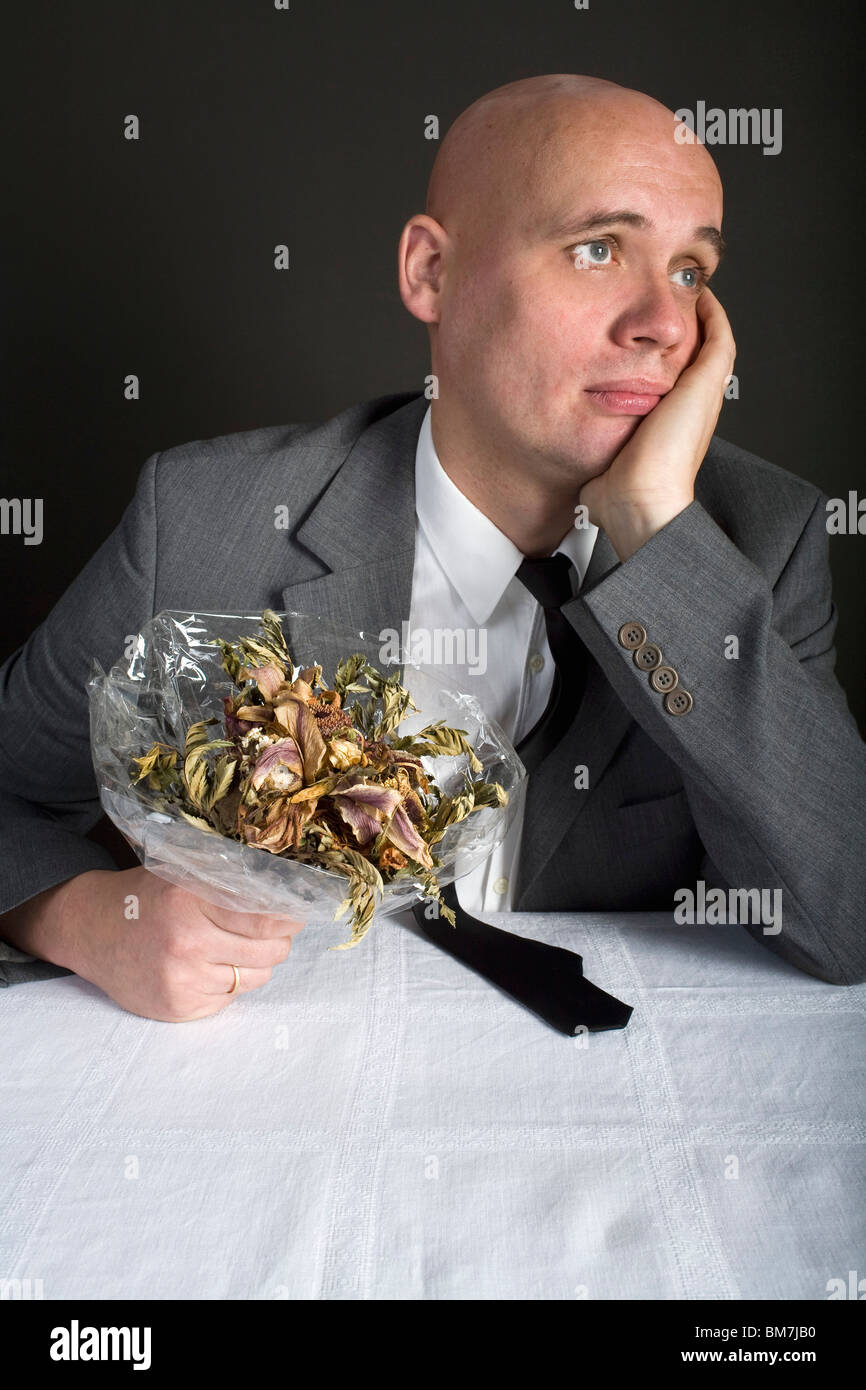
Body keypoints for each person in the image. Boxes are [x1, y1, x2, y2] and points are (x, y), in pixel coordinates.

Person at [2, 74, 864, 1021]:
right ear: (430, 274)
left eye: (692, 272)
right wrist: (80, 914)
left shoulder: (761, 541)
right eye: (597, 249)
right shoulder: (205, 517)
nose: (663, 325)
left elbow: (847, 915)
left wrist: (660, 527)